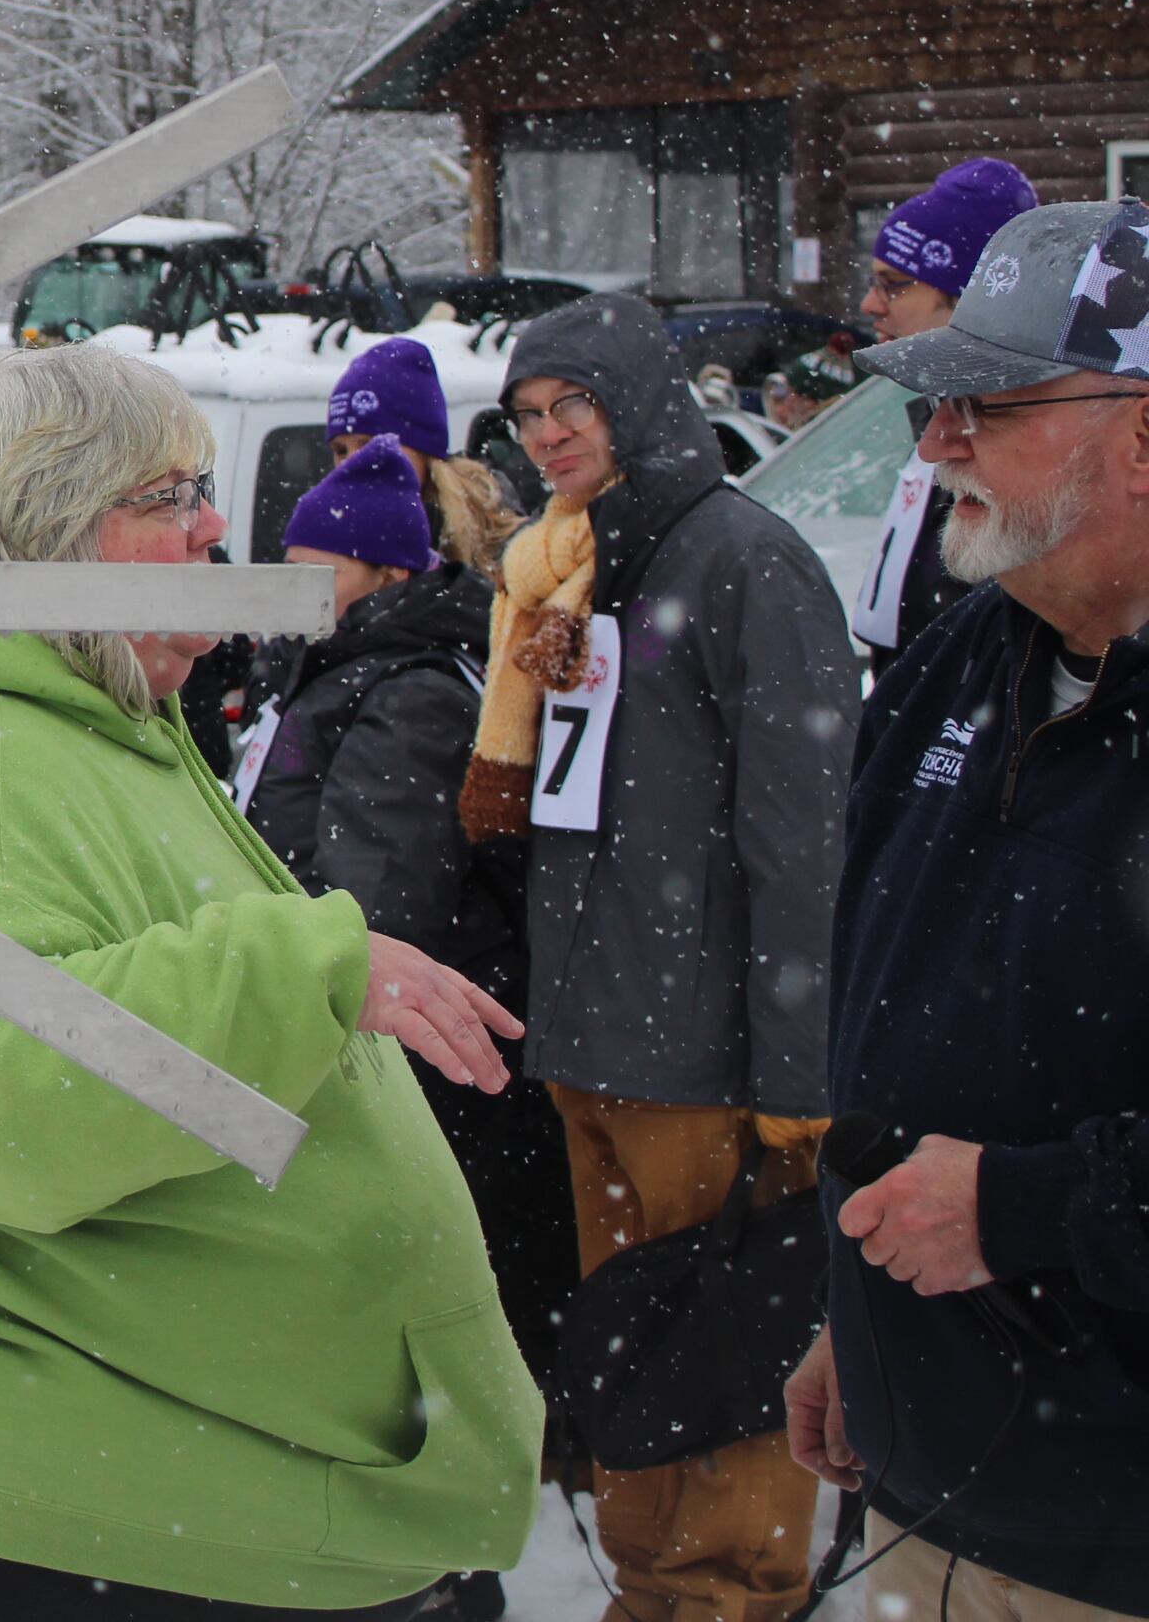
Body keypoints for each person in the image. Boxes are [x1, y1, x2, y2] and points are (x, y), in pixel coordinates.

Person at [0, 345, 541, 1621]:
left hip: (142, 1472)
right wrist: (302, 972)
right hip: (50, 1490)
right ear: (46, 524)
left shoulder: (63, 714)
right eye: (167, 497)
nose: (214, 526)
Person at [466, 292, 855, 1622]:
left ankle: (732, 1598)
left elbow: (801, 840)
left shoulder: (746, 561)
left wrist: (797, 1071)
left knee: (728, 1352)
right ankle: (651, 1590)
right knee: (631, 1347)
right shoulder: (565, 570)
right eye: (528, 415)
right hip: (597, 1044)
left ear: (636, 402)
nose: (548, 435)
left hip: (709, 1054)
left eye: (571, 404)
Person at [787, 194, 1149, 1620]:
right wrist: (855, 1320)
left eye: (987, 407)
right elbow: (892, 1023)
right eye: (935, 407)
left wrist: (1026, 1208)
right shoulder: (957, 663)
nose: (936, 444)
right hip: (929, 1492)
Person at [242, 444, 579, 1614]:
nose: (292, 581)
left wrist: (278, 968)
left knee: (407, 1339)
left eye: (315, 562)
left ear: (382, 572)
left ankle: (436, 1572)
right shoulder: (342, 666)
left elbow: (380, 904)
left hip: (415, 1062)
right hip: (367, 1045)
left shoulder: (411, 689)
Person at [849, 158, 1038, 670]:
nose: (870, 304)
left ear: (964, 295)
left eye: (892, 284)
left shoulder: (1014, 446)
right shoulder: (937, 422)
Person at [326, 334, 519, 578]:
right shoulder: (328, 542)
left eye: (372, 446)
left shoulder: (507, 545)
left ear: (424, 450)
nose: (351, 464)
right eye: (340, 451)